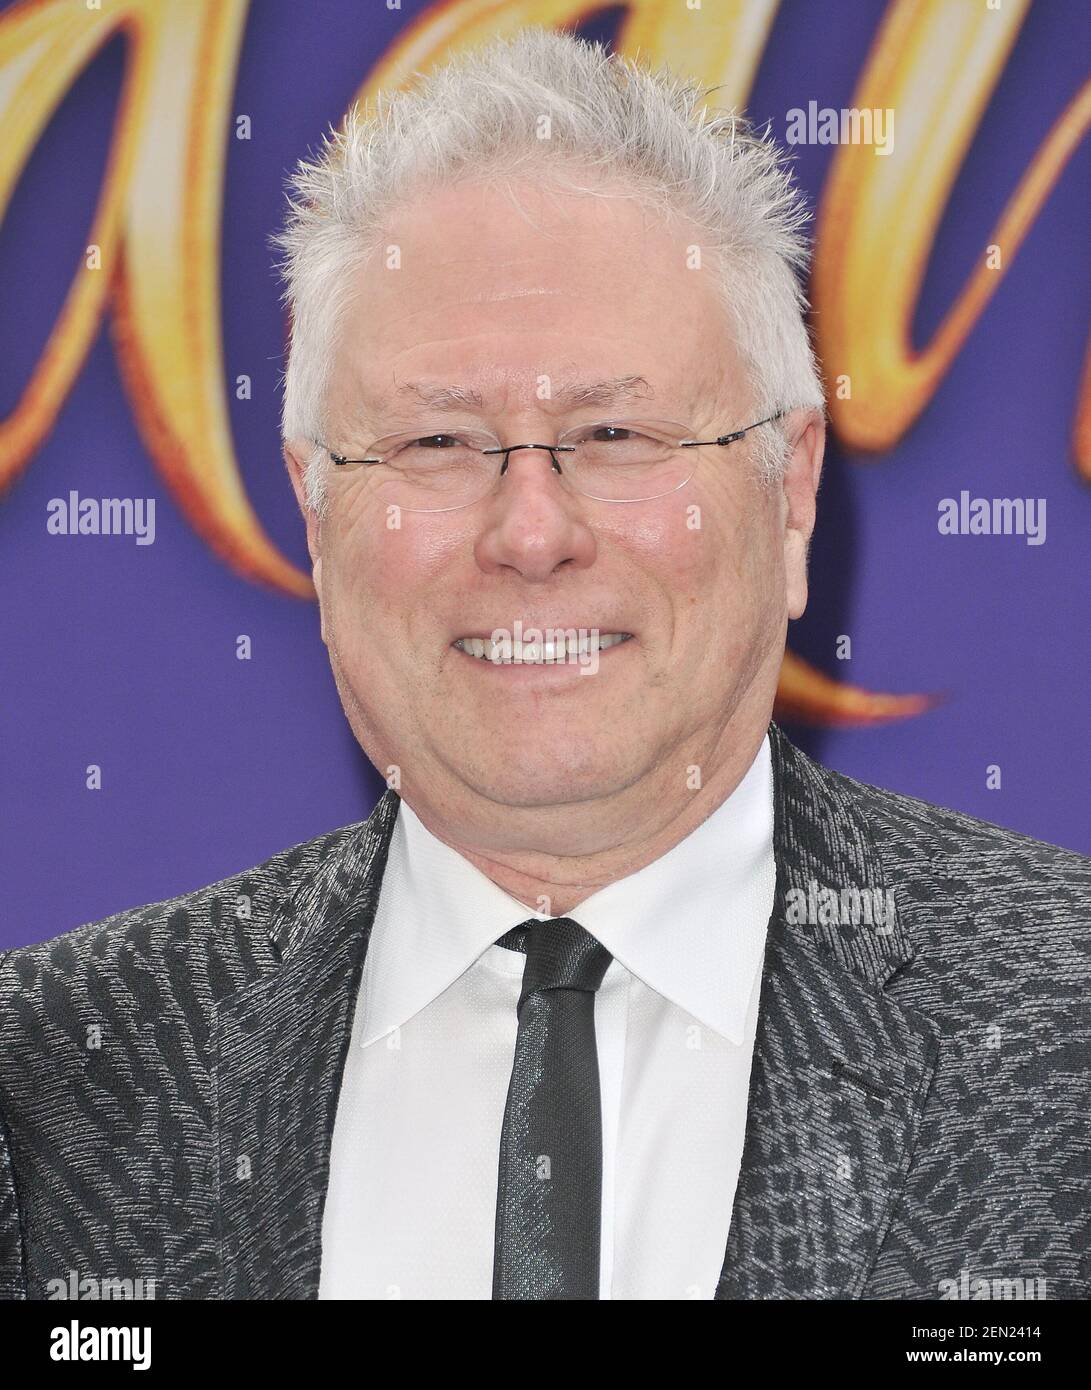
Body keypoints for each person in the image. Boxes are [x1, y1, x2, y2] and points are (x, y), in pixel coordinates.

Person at [1, 29, 1086, 1302]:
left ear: (787, 494)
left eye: (614, 432)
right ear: (312, 509)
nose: (528, 532)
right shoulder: (52, 1076)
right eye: (436, 441)